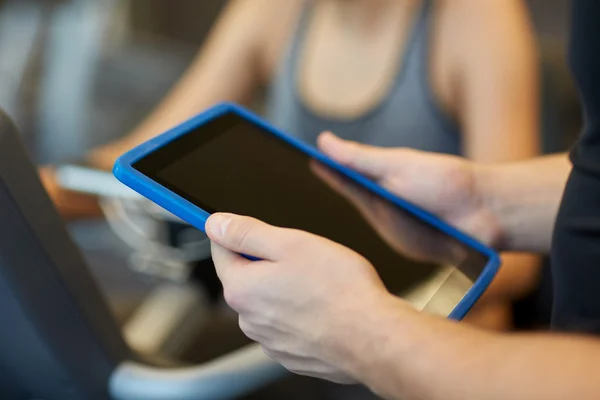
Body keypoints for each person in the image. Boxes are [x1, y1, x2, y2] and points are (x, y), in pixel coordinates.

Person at [43, 0, 541, 329]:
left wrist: (367, 304)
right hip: (301, 322)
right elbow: (143, 156)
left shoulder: (476, 18)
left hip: (434, 335)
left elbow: (517, 261)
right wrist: (33, 193)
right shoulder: (274, 9)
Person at [201, 1, 600, 398]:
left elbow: (517, 273)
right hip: (337, 326)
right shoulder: (272, 10)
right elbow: (152, 146)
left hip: (447, 353)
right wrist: (486, 202)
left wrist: (361, 317)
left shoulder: (474, 17)